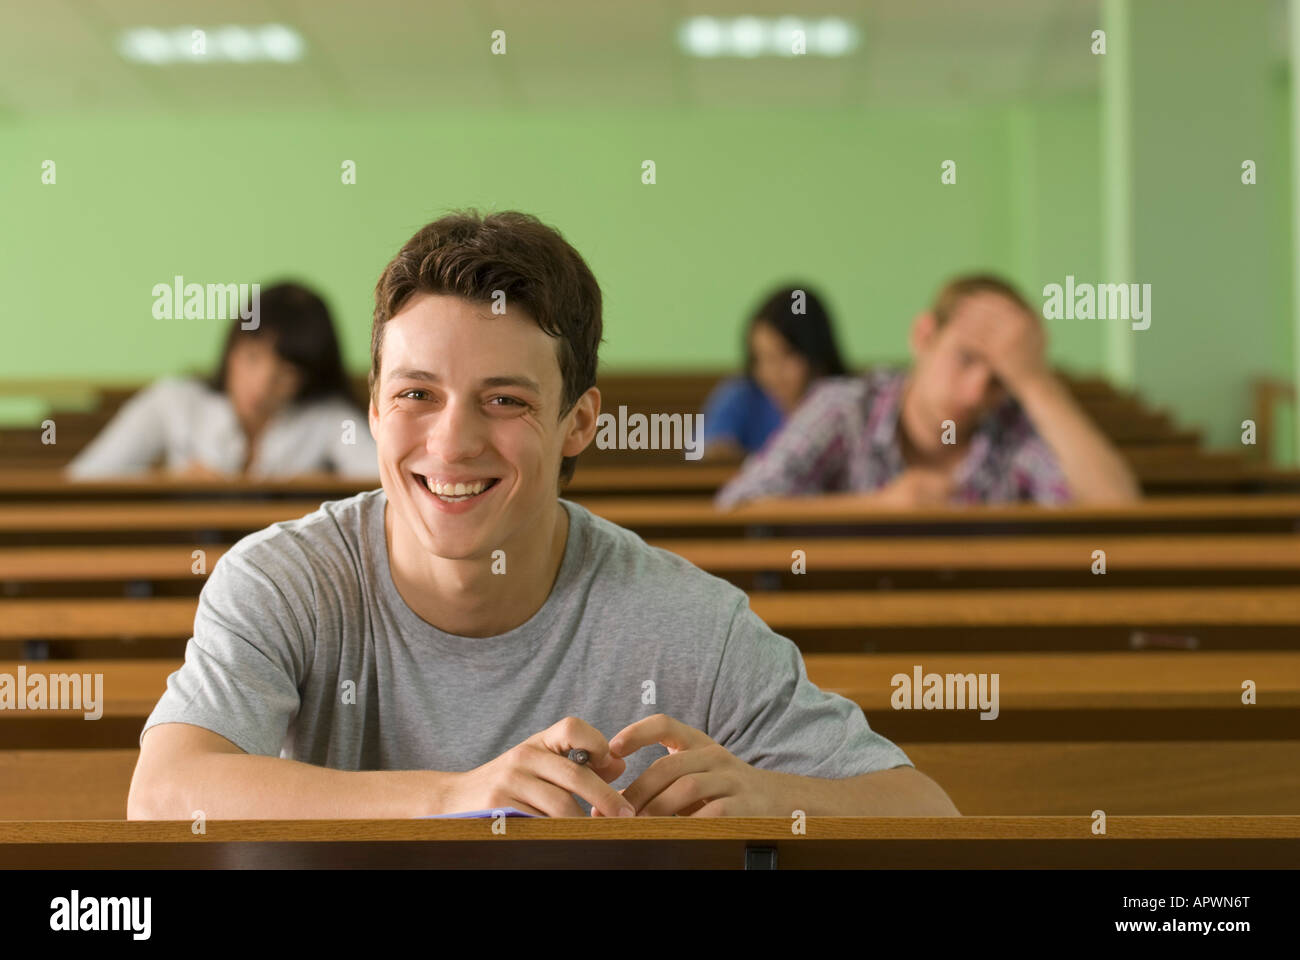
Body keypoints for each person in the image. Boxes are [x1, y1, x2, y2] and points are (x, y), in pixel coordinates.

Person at [128, 210, 958, 819]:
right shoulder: (284, 579)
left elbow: (924, 812)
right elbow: (165, 793)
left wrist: (769, 793)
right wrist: (457, 795)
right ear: (375, 411)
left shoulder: (686, 619)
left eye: (504, 400)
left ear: (579, 423)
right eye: (416, 394)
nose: (452, 444)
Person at [714, 274, 1141, 510]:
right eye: (966, 358)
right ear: (924, 336)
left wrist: (1035, 382)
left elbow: (1118, 515)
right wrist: (879, 508)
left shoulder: (1015, 427)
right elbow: (737, 508)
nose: (975, 393)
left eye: (998, 379)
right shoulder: (844, 408)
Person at [66, 282, 377, 479]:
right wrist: (165, 482)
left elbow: (379, 482)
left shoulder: (328, 417)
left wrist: (331, 493)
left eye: (285, 372)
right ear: (231, 350)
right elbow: (84, 479)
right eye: (252, 358)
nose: (262, 384)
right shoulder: (173, 400)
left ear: (309, 378)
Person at [701, 284, 847, 459]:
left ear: (815, 353)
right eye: (760, 358)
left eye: (785, 355)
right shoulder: (740, 396)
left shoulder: (846, 404)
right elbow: (709, 454)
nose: (771, 372)